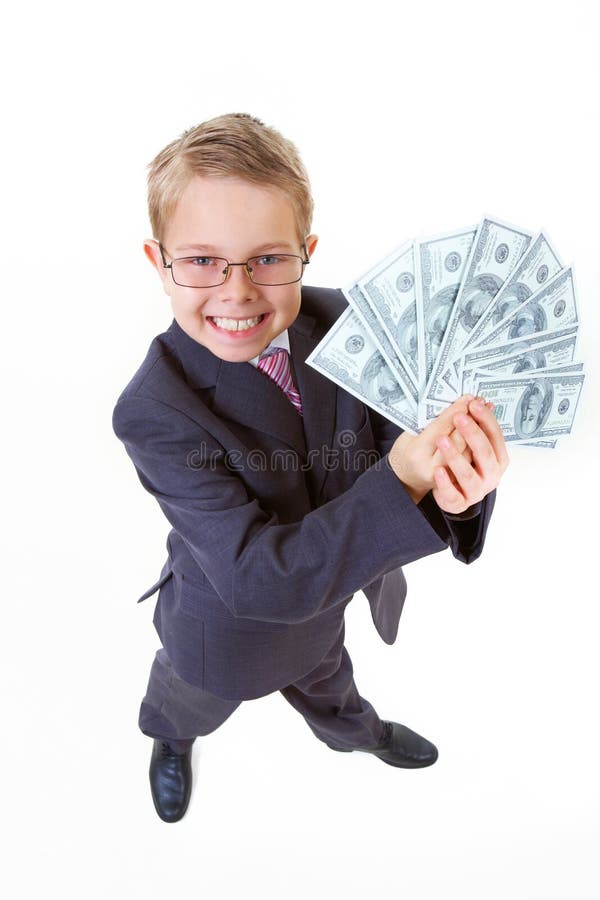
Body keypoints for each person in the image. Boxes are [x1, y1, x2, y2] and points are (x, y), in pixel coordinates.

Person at [112, 113, 509, 823]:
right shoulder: (155, 409)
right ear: (158, 262)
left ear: (306, 252)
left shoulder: (347, 322)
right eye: (203, 260)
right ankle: (169, 741)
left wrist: (456, 484)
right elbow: (259, 575)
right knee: (184, 697)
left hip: (328, 615)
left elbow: (403, 438)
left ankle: (360, 735)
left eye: (267, 258)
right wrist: (406, 479)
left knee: (335, 689)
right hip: (221, 631)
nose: (236, 292)